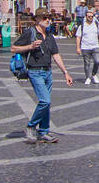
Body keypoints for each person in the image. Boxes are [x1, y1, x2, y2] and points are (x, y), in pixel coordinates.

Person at [15, 8, 74, 142]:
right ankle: (31, 126)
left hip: (47, 71)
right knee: (45, 101)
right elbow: (14, 48)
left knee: (47, 103)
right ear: (37, 19)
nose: (48, 20)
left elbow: (56, 54)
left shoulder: (49, 35)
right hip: (35, 71)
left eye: (49, 18)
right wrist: (30, 46)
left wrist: (66, 73)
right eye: (45, 18)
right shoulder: (29, 33)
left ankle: (44, 132)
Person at [74, 9, 99, 85]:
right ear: (86, 17)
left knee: (97, 61)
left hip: (95, 46)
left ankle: (93, 74)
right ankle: (88, 77)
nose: (90, 17)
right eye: (89, 16)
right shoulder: (82, 26)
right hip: (85, 47)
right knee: (87, 63)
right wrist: (78, 48)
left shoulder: (96, 25)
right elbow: (78, 37)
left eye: (92, 16)